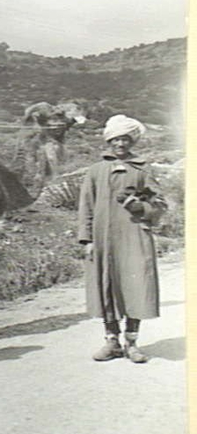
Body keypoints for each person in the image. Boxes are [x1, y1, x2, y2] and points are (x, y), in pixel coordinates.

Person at [78, 114, 168, 363]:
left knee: (135, 286)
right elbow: (86, 207)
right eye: (116, 139)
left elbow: (159, 204)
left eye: (125, 139)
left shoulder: (142, 170)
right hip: (103, 240)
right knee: (106, 287)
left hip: (135, 237)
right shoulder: (96, 171)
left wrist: (136, 206)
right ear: (109, 141)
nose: (120, 144)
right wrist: (86, 240)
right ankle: (111, 342)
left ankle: (132, 342)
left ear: (132, 142)